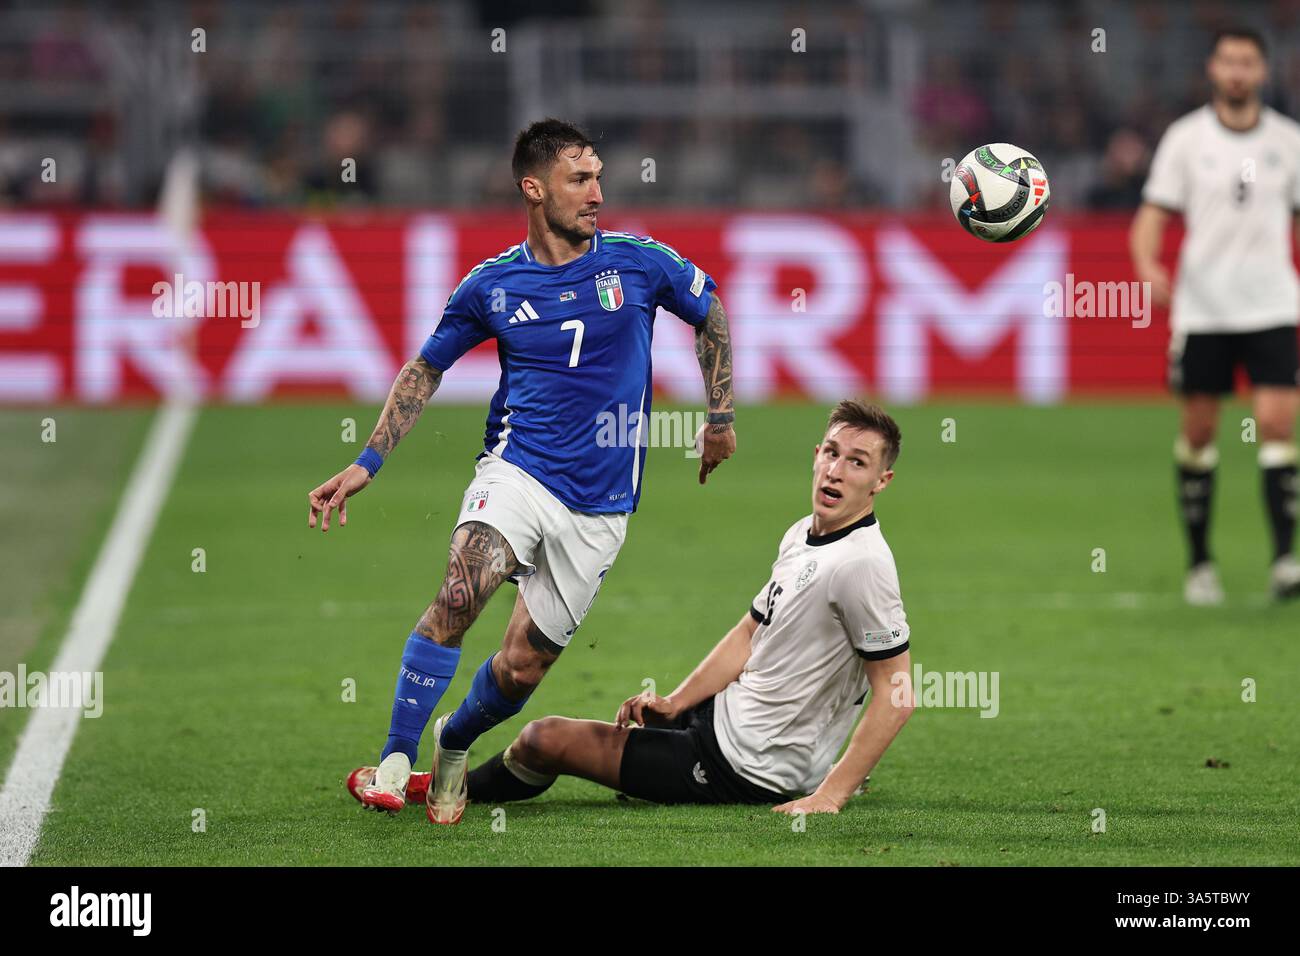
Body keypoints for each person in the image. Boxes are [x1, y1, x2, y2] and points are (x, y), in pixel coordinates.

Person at [312, 118, 737, 824]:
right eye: (580, 179)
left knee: (520, 668)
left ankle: (453, 740)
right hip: (518, 471)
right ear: (534, 189)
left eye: (600, 175)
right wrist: (368, 460)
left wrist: (720, 418)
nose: (598, 192)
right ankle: (395, 755)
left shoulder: (638, 263)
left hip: (600, 507)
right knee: (460, 591)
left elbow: (710, 308)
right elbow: (426, 368)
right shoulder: (492, 285)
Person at [348, 401, 913, 816]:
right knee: (641, 713)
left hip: (744, 764)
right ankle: (458, 775)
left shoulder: (863, 563)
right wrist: (676, 703)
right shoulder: (804, 535)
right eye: (832, 453)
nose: (837, 470)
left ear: (882, 481)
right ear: (815, 455)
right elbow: (750, 632)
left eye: (858, 463)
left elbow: (896, 690)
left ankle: (448, 783)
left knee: (544, 739)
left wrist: (829, 794)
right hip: (728, 720)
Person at [1130, 27, 1300, 604]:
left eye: (1247, 62)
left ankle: (1284, 560)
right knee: (1200, 432)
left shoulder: (1289, 140)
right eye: (1228, 60)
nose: (1237, 71)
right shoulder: (1186, 139)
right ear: (1213, 68)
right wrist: (1148, 263)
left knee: (1277, 425)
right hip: (1203, 309)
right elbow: (1152, 214)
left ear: (1262, 72)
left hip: (1274, 303)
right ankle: (1200, 562)